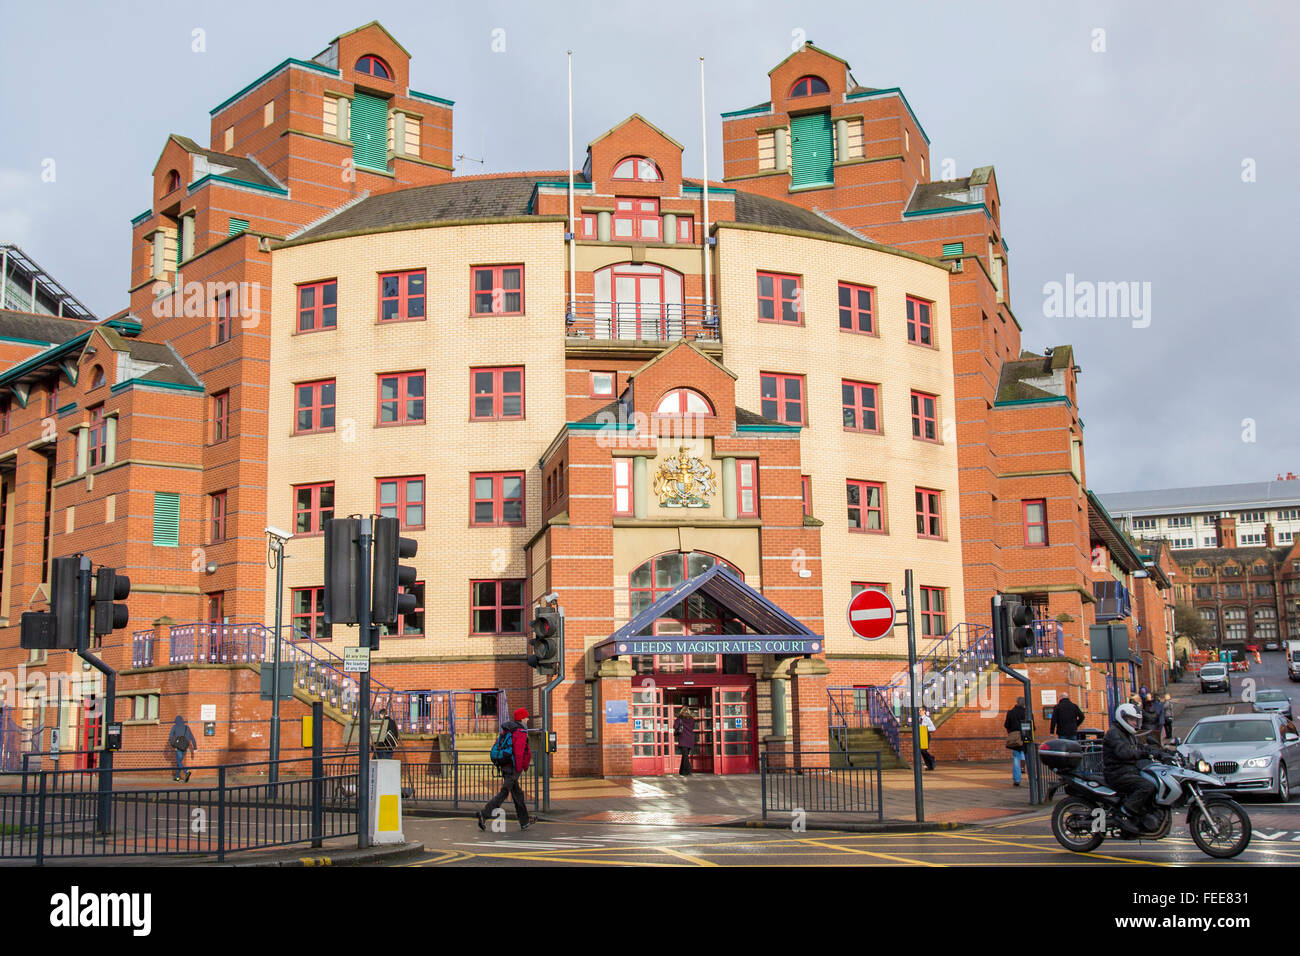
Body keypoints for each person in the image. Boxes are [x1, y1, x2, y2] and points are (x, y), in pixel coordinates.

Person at [1103, 702, 1158, 834]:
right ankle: (1124, 814)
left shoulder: (1128, 734)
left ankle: (1142, 816)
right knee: (1146, 786)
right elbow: (1124, 752)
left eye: (1136, 720)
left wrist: (1159, 751)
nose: (1135, 723)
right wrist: (1144, 753)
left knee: (1154, 781)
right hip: (1117, 773)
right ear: (1123, 717)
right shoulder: (1114, 733)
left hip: (1128, 771)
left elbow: (1139, 747)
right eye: (1132, 720)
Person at [477, 707, 532, 832]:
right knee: (504, 792)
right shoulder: (520, 732)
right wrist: (519, 768)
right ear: (522, 718)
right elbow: (518, 752)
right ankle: (484, 814)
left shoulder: (508, 730)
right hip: (512, 767)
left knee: (518, 794)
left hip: (505, 765)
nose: (528, 719)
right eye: (526, 716)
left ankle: (524, 821)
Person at [1005, 697, 1027, 787]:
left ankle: (1017, 779)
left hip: (1015, 738)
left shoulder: (1011, 712)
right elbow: (1032, 726)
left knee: (1016, 759)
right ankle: (1033, 778)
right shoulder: (1027, 713)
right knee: (1027, 757)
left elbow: (1007, 725)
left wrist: (1011, 732)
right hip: (1025, 737)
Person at [168, 715, 197, 782]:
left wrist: (173, 745)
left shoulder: (174, 727)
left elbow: (171, 737)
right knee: (179, 762)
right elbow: (192, 738)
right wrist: (195, 748)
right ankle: (177, 777)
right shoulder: (187, 727)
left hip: (178, 747)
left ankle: (186, 771)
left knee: (179, 761)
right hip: (185, 747)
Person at [673, 706, 697, 776]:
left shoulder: (679, 719)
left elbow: (675, 726)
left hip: (683, 739)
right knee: (685, 756)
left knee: (685, 756)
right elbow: (692, 727)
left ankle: (688, 771)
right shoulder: (692, 719)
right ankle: (682, 771)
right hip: (690, 739)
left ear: (682, 711)